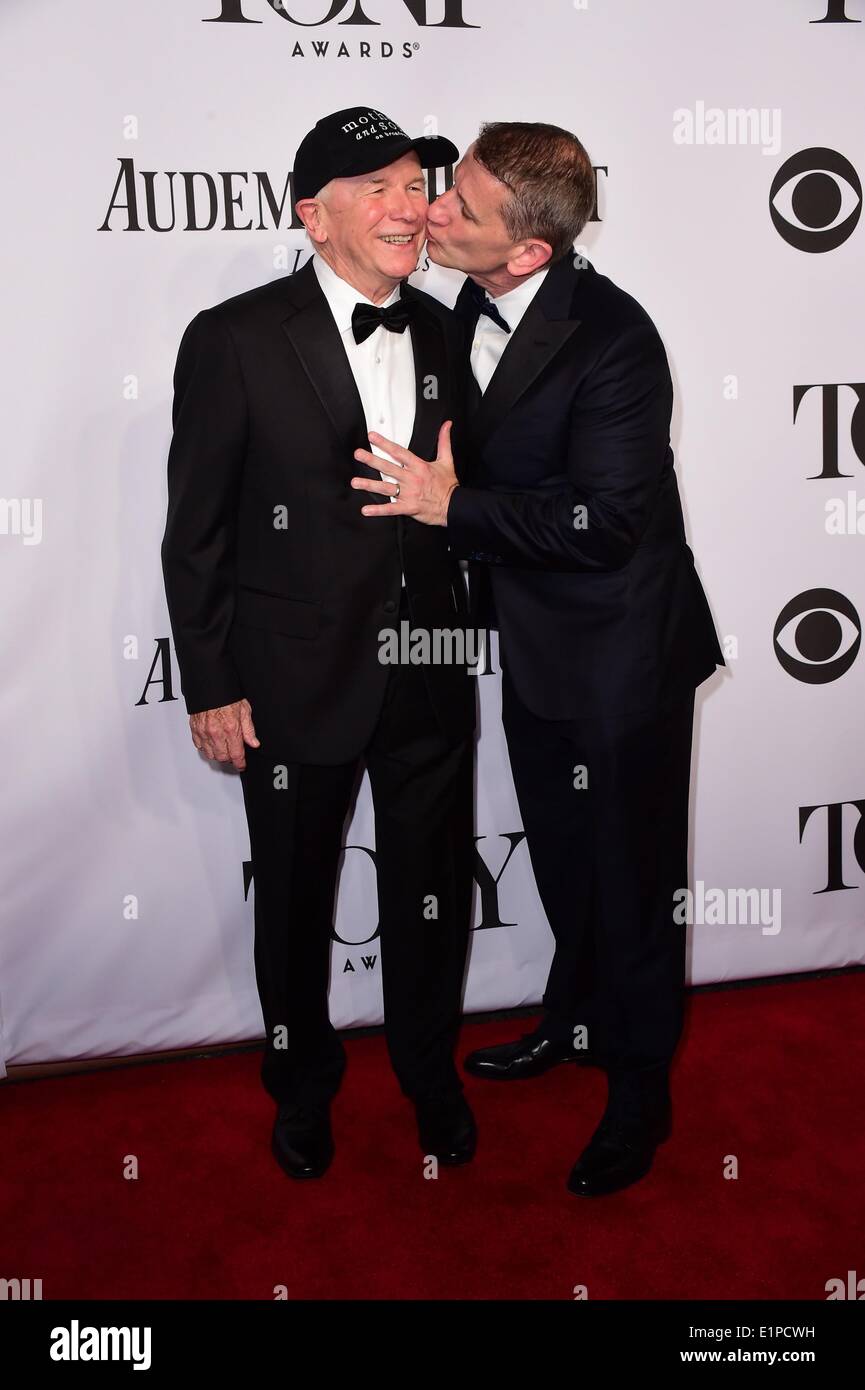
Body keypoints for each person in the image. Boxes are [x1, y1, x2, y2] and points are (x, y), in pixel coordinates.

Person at [351, 121, 724, 1196]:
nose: (429, 213)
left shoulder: (616, 343)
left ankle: (641, 1092)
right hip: (535, 649)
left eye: (456, 210)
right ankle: (569, 1021)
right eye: (446, 190)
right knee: (565, 862)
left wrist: (451, 504)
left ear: (528, 254)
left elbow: (604, 524)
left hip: (621, 667)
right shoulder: (469, 297)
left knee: (634, 883)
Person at [161, 107, 477, 1181]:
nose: (409, 207)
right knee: (294, 901)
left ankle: (430, 1076)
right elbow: (195, 530)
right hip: (294, 678)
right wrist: (211, 681)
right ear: (314, 213)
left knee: (431, 893)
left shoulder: (443, 330)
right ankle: (300, 1090)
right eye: (379, 188)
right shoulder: (236, 337)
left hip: (430, 671)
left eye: (413, 185)